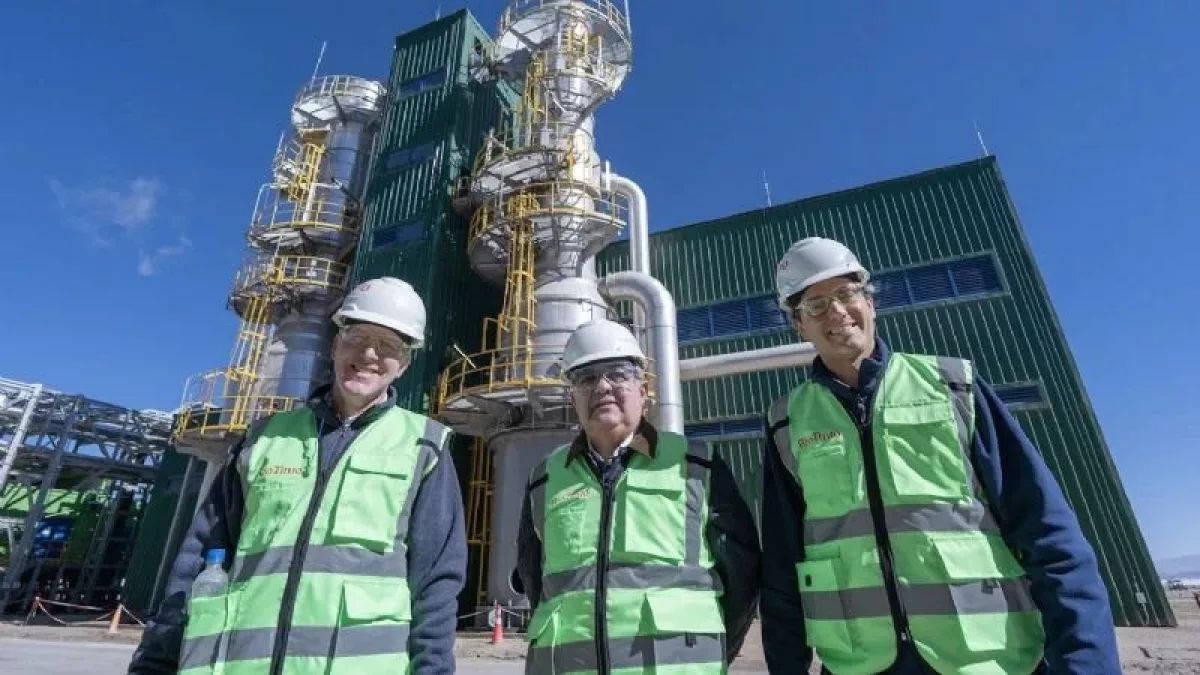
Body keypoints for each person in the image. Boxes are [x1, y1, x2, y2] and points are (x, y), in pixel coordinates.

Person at [758, 237, 1121, 674]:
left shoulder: (953, 387)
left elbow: (1050, 537)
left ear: (870, 302)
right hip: (860, 665)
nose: (835, 312)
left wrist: (1086, 665)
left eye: (845, 294)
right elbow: (781, 570)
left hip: (986, 661)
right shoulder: (788, 421)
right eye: (815, 305)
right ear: (798, 324)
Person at [128, 277, 466, 675]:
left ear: (405, 363)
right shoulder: (264, 439)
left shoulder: (423, 447)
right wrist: (156, 659)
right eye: (356, 336)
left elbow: (436, 584)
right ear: (335, 343)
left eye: (389, 345)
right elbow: (199, 558)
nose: (369, 353)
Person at [516, 319, 760, 674]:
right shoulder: (544, 479)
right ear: (573, 398)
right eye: (585, 378)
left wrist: (712, 648)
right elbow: (537, 582)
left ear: (643, 389)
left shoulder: (695, 465)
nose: (601, 386)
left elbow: (742, 575)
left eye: (617, 374)